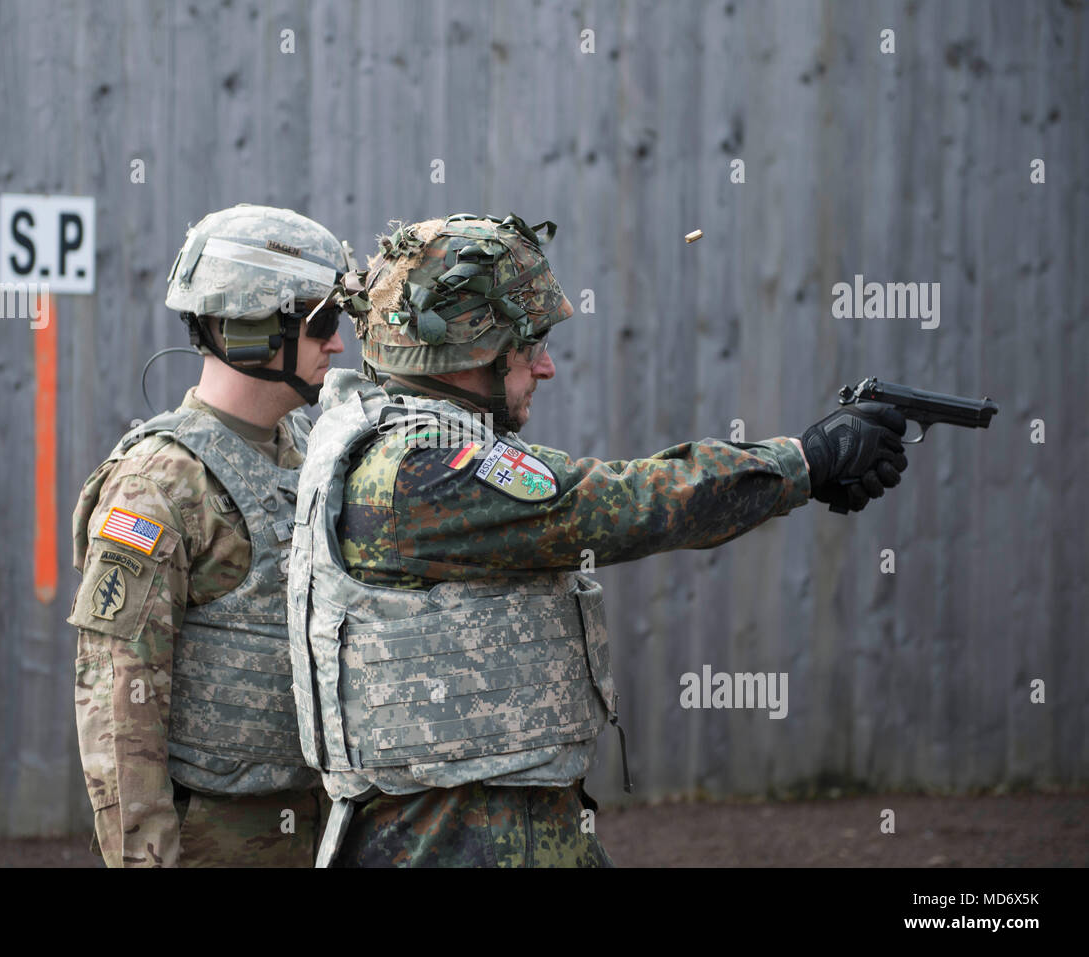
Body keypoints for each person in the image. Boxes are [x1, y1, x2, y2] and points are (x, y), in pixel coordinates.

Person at [286, 213, 909, 867]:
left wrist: (804, 474)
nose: (547, 366)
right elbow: (618, 502)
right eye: (532, 342)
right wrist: (805, 462)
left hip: (489, 826)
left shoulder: (396, 437)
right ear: (473, 348)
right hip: (453, 839)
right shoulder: (420, 467)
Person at [69, 203, 354, 866]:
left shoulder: (315, 450)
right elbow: (118, 702)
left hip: (324, 828)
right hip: (217, 843)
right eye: (322, 323)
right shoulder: (158, 484)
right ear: (254, 328)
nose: (337, 344)